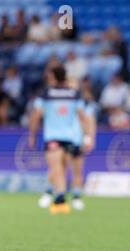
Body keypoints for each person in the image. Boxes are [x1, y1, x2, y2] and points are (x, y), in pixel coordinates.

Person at [29, 66, 92, 215]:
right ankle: (63, 195)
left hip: (53, 136)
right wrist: (87, 136)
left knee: (56, 167)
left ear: (53, 77)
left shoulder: (46, 94)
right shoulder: (75, 94)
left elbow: (36, 115)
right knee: (64, 166)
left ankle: (60, 196)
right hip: (70, 137)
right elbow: (83, 117)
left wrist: (32, 134)